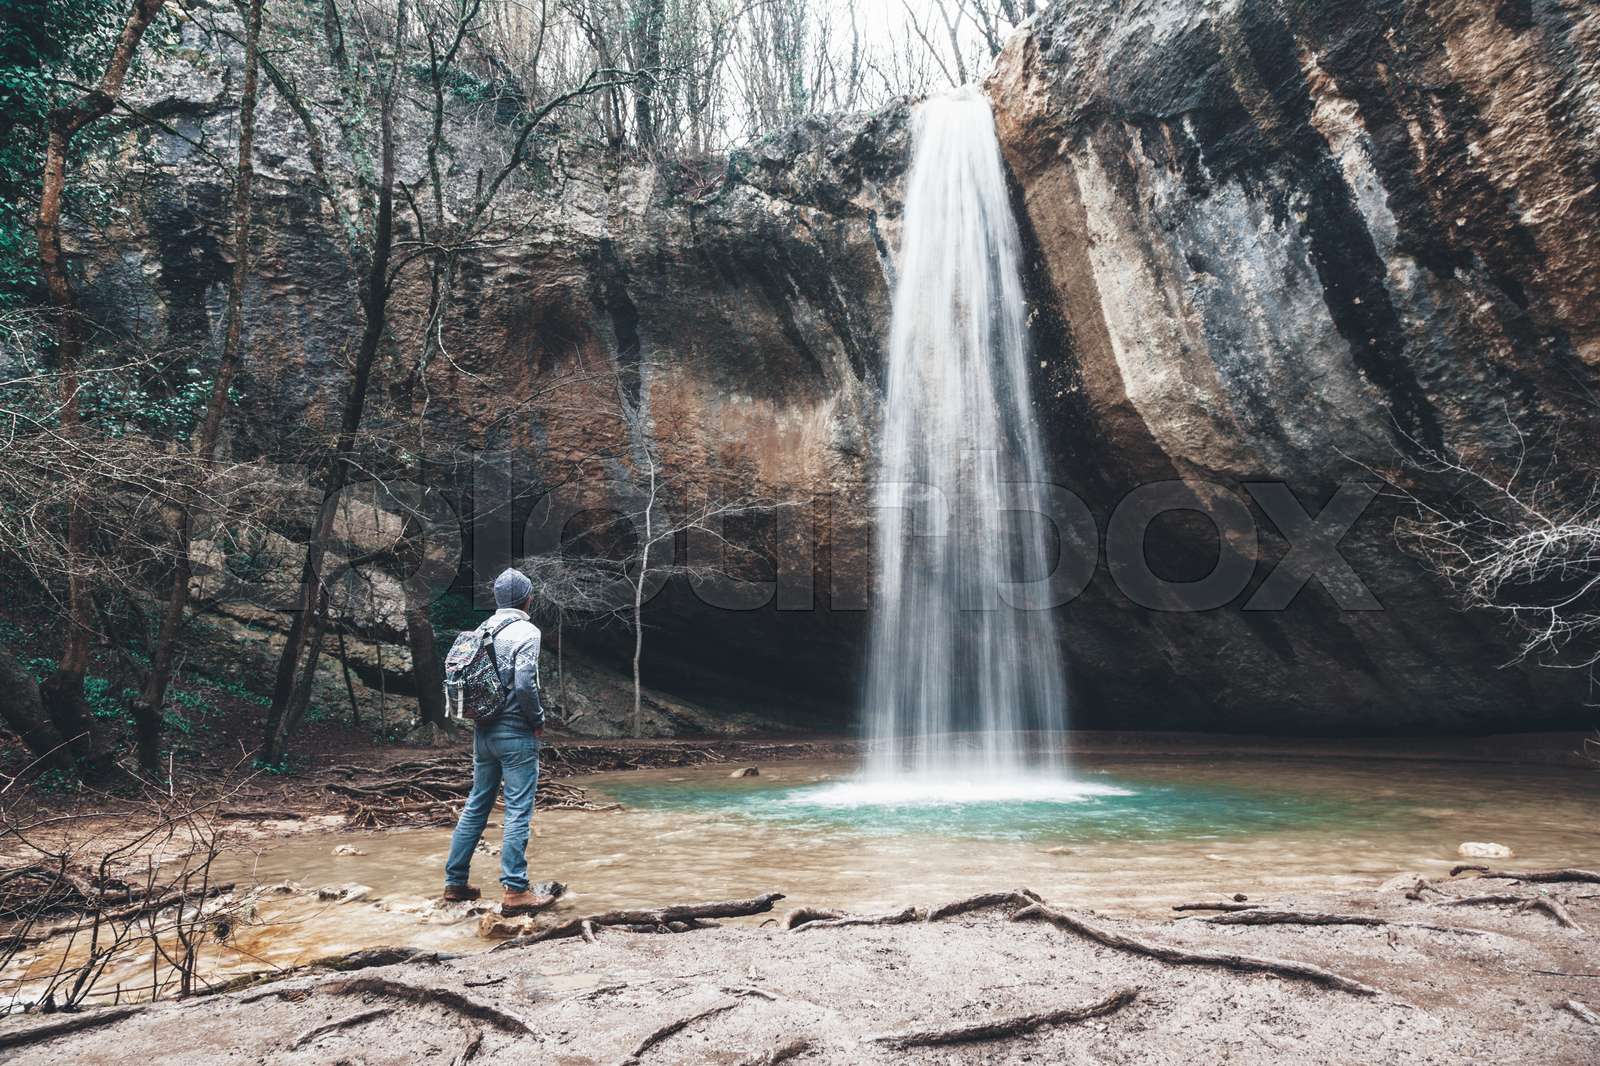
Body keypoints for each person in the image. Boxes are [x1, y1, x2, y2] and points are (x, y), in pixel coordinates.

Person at [442, 568, 552, 916]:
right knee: (518, 809)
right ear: (528, 598)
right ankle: (515, 890)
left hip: (483, 731)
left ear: (498, 599)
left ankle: (455, 883)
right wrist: (538, 720)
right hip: (516, 732)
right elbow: (524, 684)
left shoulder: (482, 629)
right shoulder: (527, 631)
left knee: (477, 804)